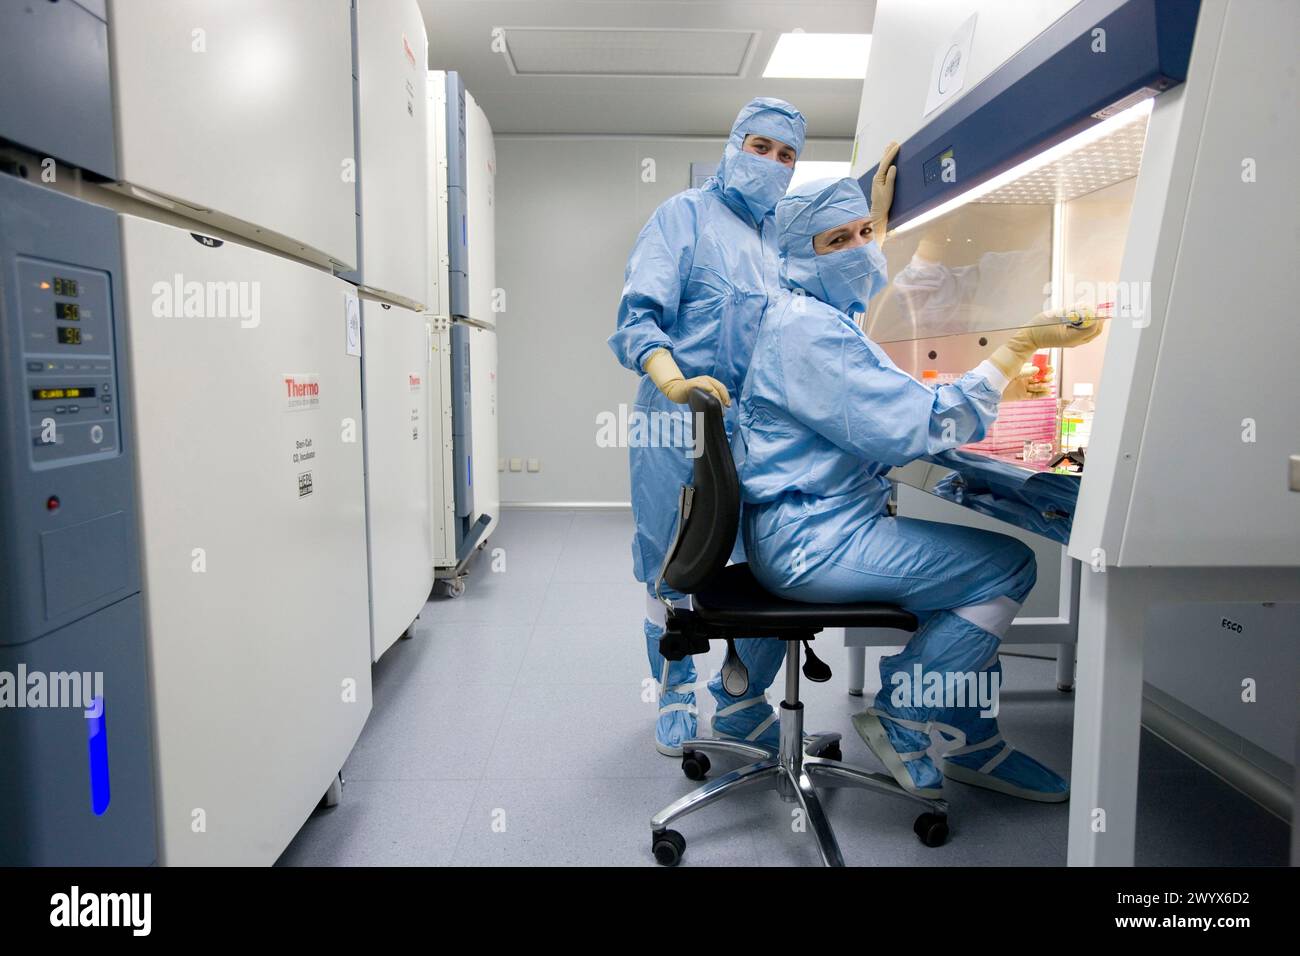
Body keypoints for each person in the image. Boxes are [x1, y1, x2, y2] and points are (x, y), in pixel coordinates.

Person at [737, 176, 1101, 801]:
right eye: (837, 240)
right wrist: (1020, 348)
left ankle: (973, 742)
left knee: (960, 593)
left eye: (865, 233)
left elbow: (881, 402)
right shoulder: (806, 332)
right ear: (797, 253)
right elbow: (923, 424)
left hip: (802, 526)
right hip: (815, 541)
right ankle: (903, 713)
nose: (859, 249)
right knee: (1005, 569)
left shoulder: (806, 315)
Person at [610, 97, 837, 756]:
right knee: (673, 561)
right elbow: (637, 320)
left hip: (762, 429)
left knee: (765, 562)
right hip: (677, 420)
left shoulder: (781, 237)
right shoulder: (682, 217)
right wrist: (674, 380)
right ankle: (676, 683)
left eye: (787, 154)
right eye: (761, 146)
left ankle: (741, 696)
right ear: (734, 142)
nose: (772, 163)